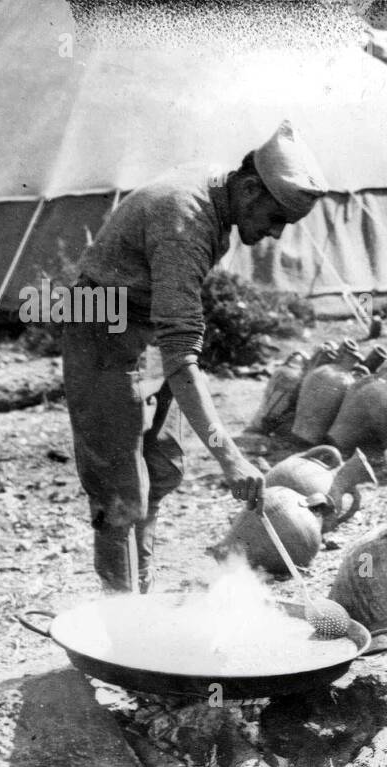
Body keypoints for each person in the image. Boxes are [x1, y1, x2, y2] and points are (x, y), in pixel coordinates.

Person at [62, 120, 327, 593]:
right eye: (275, 218)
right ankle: (123, 620)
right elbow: (182, 356)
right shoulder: (185, 221)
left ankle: (136, 589)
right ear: (249, 189)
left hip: (140, 322)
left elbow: (173, 335)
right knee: (121, 488)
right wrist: (231, 459)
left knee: (161, 466)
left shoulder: (218, 190)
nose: (274, 234)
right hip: (101, 324)